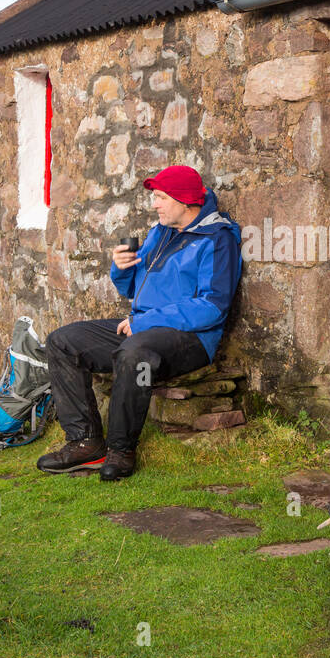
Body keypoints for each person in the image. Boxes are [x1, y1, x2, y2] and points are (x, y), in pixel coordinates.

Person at [37, 165, 241, 481]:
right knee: (63, 342)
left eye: (160, 197)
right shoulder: (160, 233)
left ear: (185, 200)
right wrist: (121, 269)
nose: (154, 204)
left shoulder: (217, 239)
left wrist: (147, 322)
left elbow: (213, 307)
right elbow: (134, 289)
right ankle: (85, 442)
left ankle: (121, 451)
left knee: (135, 354)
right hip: (143, 327)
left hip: (191, 339)